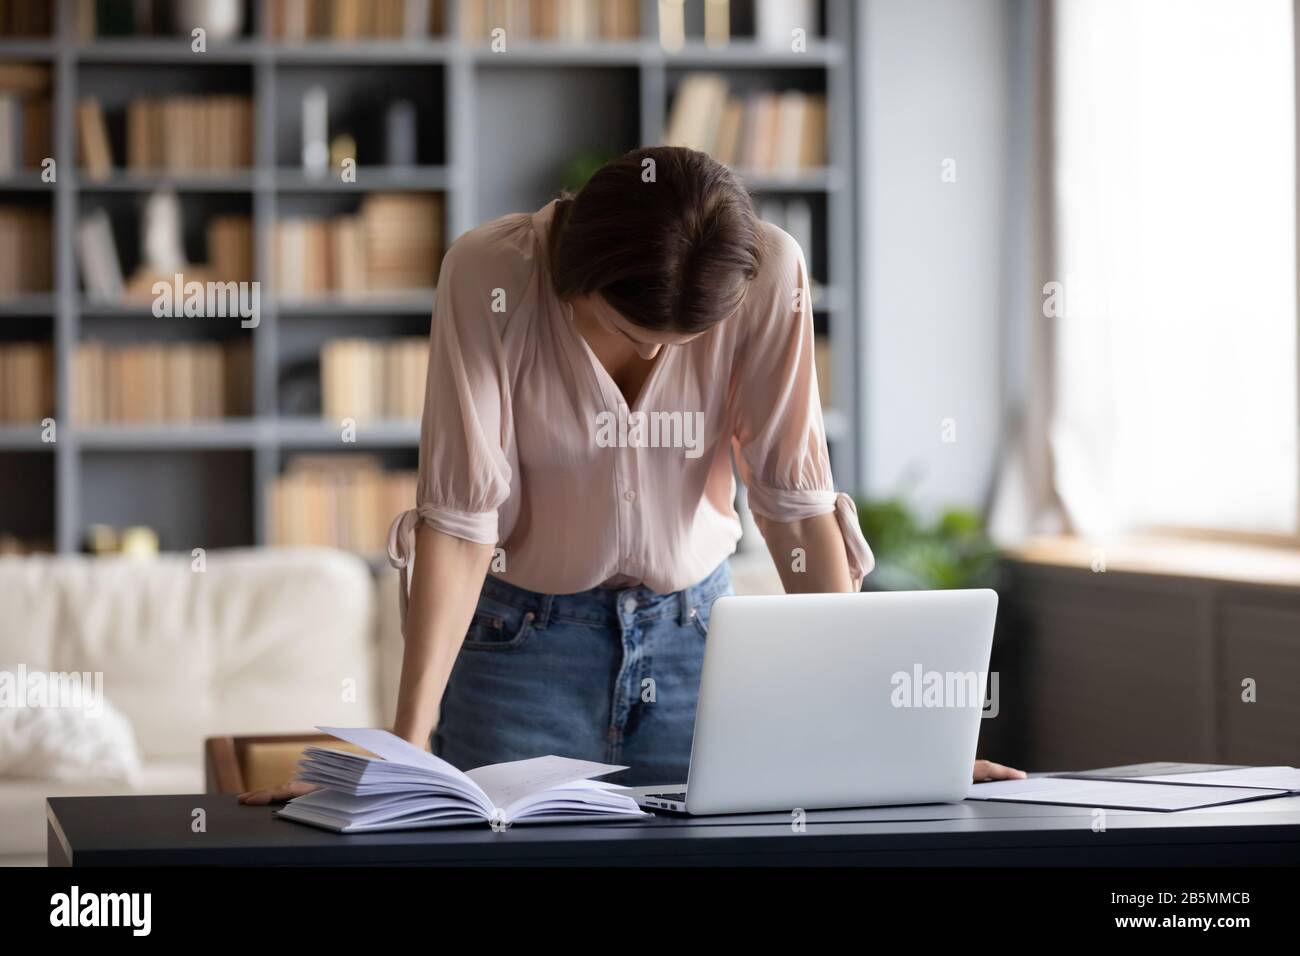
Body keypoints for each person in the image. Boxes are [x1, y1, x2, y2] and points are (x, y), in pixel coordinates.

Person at [241, 146, 1023, 804]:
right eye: (628, 330)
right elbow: (459, 522)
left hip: (702, 651)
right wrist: (405, 752)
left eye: (686, 342)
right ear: (575, 275)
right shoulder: (490, 273)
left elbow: (795, 508)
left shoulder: (770, 271)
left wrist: (890, 736)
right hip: (522, 653)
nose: (655, 356)